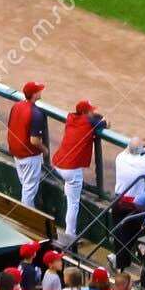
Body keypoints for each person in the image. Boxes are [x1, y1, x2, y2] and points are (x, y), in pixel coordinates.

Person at [50, 99, 104, 244]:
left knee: (70, 196)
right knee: (73, 203)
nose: (93, 111)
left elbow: (90, 117)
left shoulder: (71, 117)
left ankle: (69, 234)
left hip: (58, 163)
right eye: (91, 110)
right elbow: (106, 123)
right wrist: (98, 116)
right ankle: (70, 236)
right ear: (86, 112)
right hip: (71, 169)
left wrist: (92, 114)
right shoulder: (91, 122)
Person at [6, 81, 48, 206]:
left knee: (26, 186)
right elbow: (34, 141)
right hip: (29, 157)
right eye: (39, 90)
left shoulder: (16, 106)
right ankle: (26, 220)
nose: (41, 91)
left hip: (16, 154)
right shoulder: (36, 113)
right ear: (34, 94)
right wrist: (44, 150)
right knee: (29, 191)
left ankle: (27, 216)